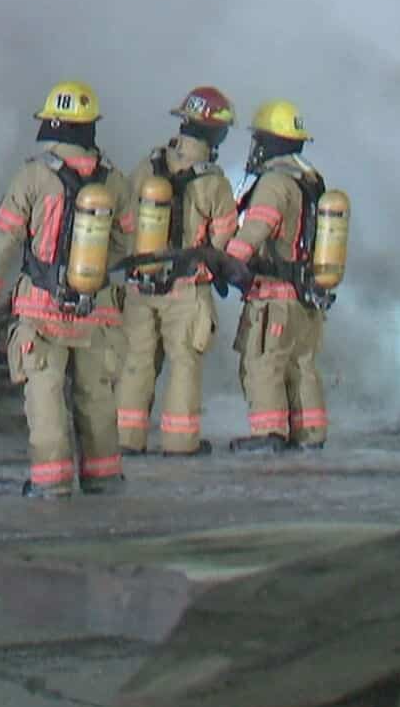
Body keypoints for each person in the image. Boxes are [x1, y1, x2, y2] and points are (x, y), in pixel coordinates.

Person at [0, 80, 131, 497]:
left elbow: (5, 238)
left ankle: (52, 482)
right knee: (96, 397)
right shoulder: (114, 180)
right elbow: (125, 245)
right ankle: (104, 477)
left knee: (45, 397)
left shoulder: (33, 175)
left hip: (43, 311)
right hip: (97, 313)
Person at [114, 86, 241, 456]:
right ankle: (180, 442)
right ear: (215, 132)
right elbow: (223, 237)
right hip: (186, 288)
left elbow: (125, 216)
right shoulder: (213, 181)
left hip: (141, 283)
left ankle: (126, 439)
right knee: (184, 364)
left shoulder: (148, 165)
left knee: (136, 362)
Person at [220, 99, 333, 452]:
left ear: (269, 142)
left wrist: (227, 262)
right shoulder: (312, 181)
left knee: (262, 363)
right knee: (302, 367)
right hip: (307, 298)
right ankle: (311, 435)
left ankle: (268, 435)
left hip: (274, 298)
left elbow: (257, 229)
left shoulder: (274, 183)